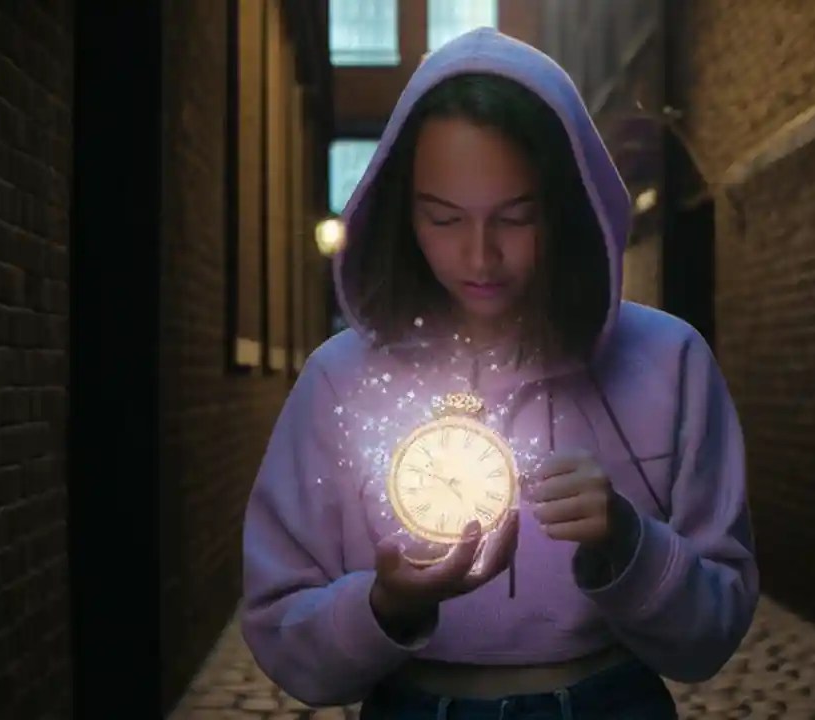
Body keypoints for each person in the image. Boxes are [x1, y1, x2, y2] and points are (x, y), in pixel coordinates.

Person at [241, 27, 758, 720]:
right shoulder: (340, 380)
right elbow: (281, 631)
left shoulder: (670, 361)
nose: (480, 257)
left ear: (569, 207)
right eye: (444, 218)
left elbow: (713, 635)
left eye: (516, 217)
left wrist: (630, 546)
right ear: (400, 211)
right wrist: (385, 604)